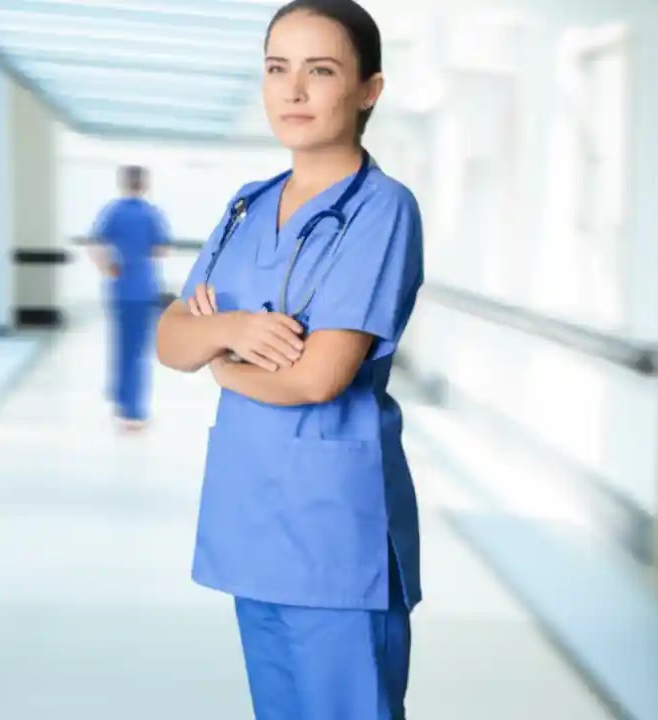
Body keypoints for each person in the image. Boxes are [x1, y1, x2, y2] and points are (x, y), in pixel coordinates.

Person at [155, 1, 423, 717]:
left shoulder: (382, 210)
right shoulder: (247, 205)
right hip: (252, 520)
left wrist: (220, 355)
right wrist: (236, 328)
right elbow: (170, 339)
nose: (293, 90)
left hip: (337, 536)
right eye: (278, 68)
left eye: (321, 70)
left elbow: (317, 376)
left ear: (369, 90)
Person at [88, 165, 170, 432]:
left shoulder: (112, 211)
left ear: (123, 183)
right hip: (144, 287)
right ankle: (134, 411)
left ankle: (120, 397)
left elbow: (96, 245)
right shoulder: (152, 214)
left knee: (120, 344)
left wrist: (109, 267)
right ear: (144, 184)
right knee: (138, 351)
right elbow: (160, 249)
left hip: (119, 286)